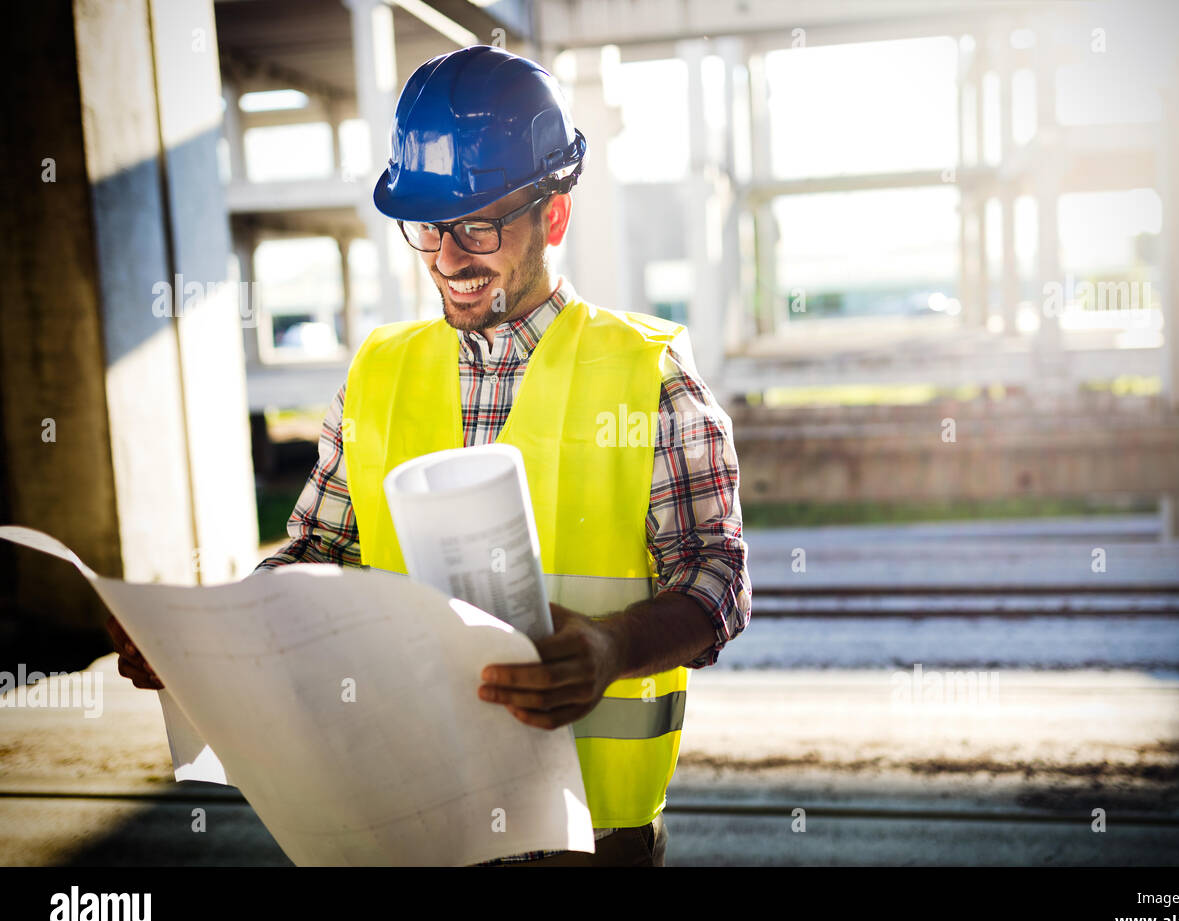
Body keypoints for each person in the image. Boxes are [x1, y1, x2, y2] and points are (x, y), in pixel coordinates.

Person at [109, 44, 751, 867]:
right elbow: (318, 555)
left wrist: (610, 648)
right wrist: (207, 644)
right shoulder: (378, 372)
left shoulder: (648, 375)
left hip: (586, 840)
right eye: (429, 226)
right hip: (405, 823)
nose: (449, 259)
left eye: (479, 224)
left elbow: (716, 578)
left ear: (552, 216)